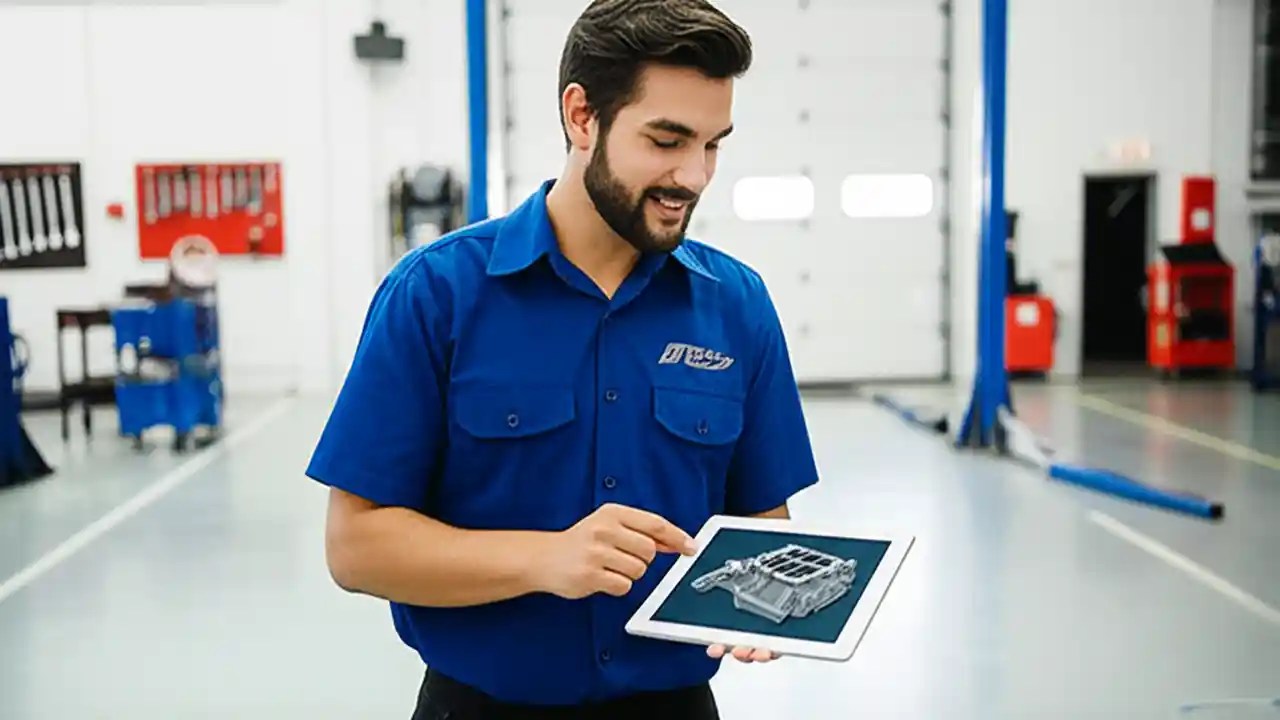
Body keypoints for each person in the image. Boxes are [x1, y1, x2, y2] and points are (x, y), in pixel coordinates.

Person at [305, 0, 820, 717]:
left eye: (712, 144)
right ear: (582, 117)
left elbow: (765, 521)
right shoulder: (436, 295)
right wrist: (543, 559)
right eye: (666, 140)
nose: (695, 176)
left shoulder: (737, 306)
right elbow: (355, 546)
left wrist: (766, 598)